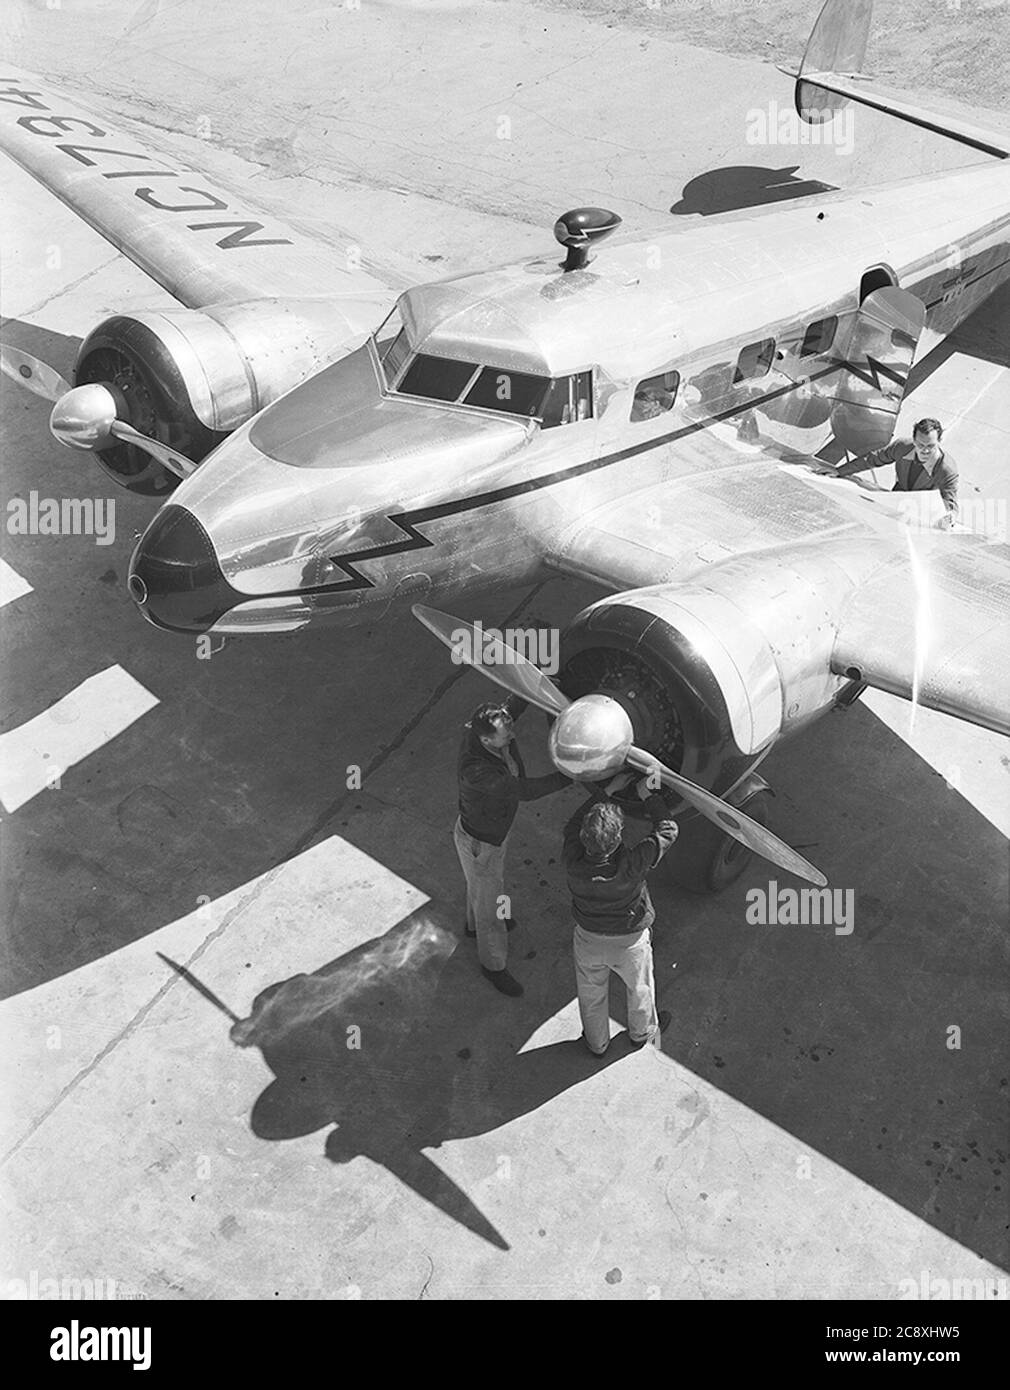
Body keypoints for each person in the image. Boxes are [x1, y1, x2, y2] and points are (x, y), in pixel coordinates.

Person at [455, 698, 569, 997]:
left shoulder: (487, 730)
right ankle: (492, 966)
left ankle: (471, 927)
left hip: (489, 833)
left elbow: (511, 710)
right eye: (505, 734)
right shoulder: (479, 771)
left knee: (481, 887)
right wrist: (573, 774)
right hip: (482, 842)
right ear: (486, 740)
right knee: (490, 906)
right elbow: (525, 791)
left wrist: (533, 686)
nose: (512, 734)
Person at [562, 776, 678, 1055]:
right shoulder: (632, 865)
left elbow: (571, 826)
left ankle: (596, 1044)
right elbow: (668, 829)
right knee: (640, 989)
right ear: (616, 841)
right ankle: (641, 1033)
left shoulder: (572, 858)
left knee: (590, 995)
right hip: (629, 941)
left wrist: (606, 793)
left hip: (588, 939)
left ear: (584, 839)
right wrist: (649, 795)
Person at [832, 417, 959, 525]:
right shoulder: (902, 447)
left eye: (930, 446)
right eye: (920, 445)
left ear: (939, 442)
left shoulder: (947, 469)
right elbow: (872, 459)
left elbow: (949, 501)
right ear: (914, 440)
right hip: (895, 502)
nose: (925, 450)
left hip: (921, 515)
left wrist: (950, 516)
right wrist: (839, 471)